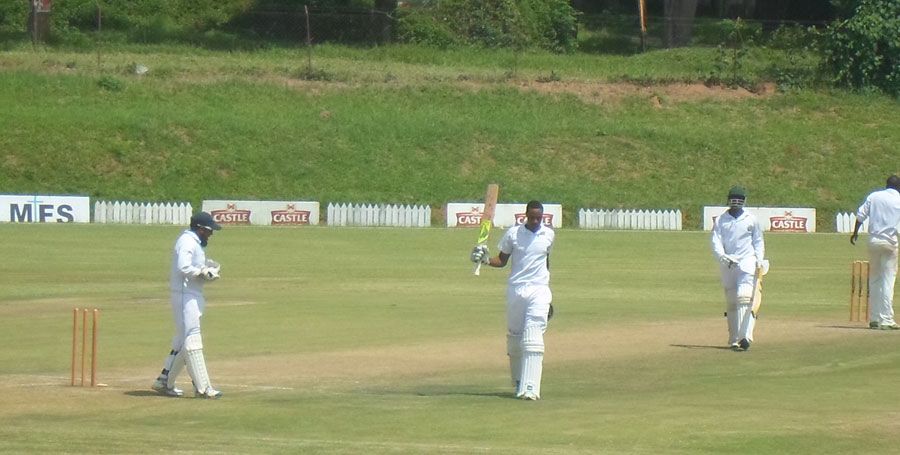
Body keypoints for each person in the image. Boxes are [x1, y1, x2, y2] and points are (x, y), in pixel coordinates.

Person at [471, 200, 555, 400]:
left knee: (533, 335)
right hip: (516, 289)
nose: (535, 221)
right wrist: (484, 259)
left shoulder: (549, 234)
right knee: (516, 336)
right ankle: (519, 381)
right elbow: (501, 260)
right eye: (532, 217)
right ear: (525, 215)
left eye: (539, 218)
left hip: (539, 289)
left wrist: (547, 295)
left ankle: (531, 388)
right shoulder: (513, 234)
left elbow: (545, 261)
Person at [151, 211, 224, 398]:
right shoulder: (187, 241)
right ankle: (203, 388)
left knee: (182, 340)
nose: (211, 234)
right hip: (185, 296)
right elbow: (183, 267)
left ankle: (164, 381)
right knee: (192, 339)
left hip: (191, 294)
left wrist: (206, 269)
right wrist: (202, 272)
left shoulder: (194, 242)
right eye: (209, 231)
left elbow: (191, 266)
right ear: (200, 229)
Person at [711, 186, 768, 351]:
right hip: (728, 262)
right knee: (731, 301)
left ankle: (745, 337)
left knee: (744, 297)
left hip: (747, 261)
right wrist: (722, 256)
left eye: (739, 199)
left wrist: (759, 259)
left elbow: (758, 241)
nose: (736, 202)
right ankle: (734, 338)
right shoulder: (721, 220)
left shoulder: (751, 219)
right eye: (733, 198)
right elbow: (716, 241)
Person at [850, 175, 900, 330]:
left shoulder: (874, 196)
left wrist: (855, 233)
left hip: (873, 241)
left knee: (875, 279)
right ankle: (887, 319)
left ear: (886, 185)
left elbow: (860, 215)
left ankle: (874, 318)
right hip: (890, 243)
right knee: (888, 280)